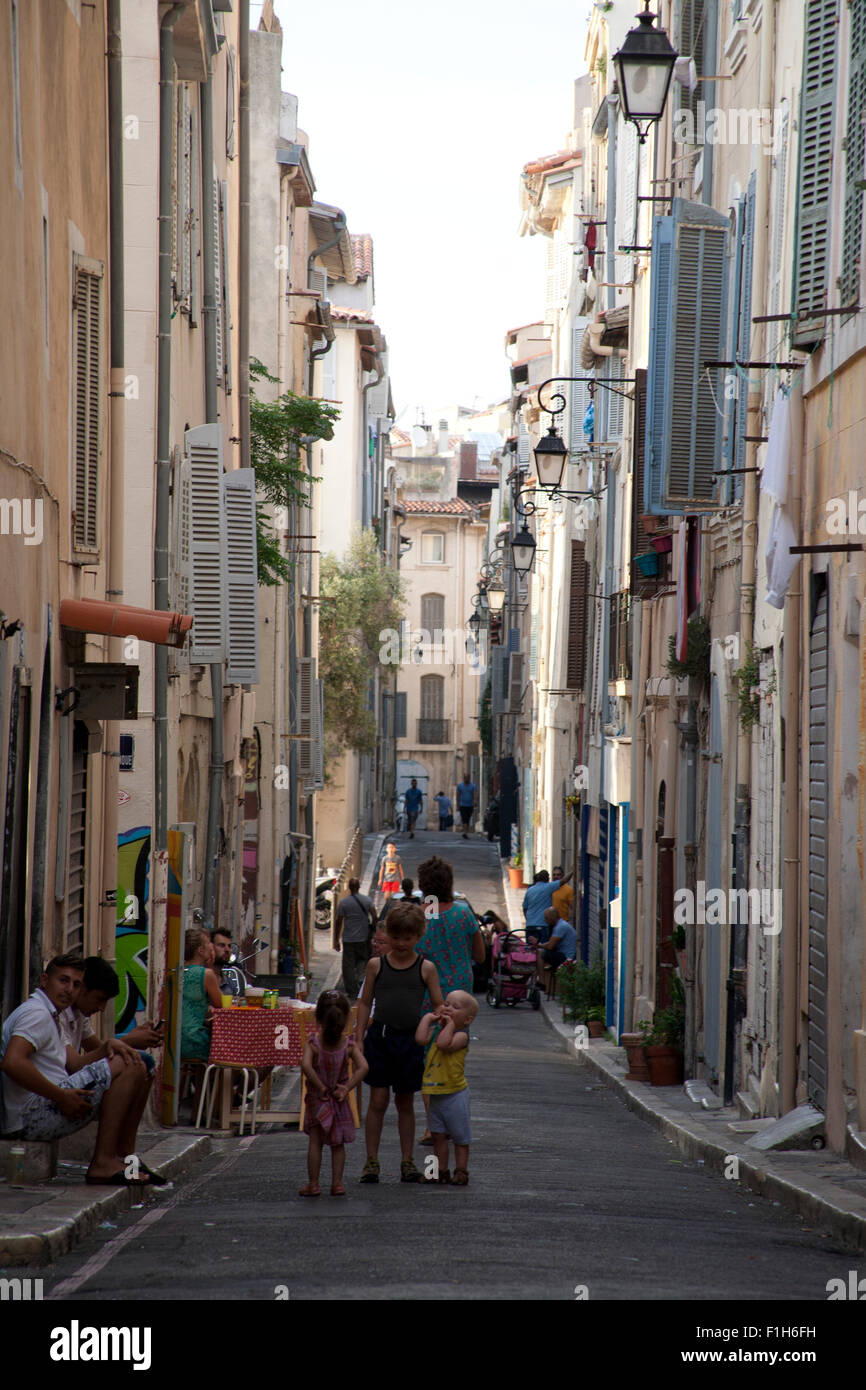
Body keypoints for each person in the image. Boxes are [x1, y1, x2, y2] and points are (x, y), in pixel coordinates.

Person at [0, 954, 163, 1186]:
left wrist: (120, 1044)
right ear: (45, 980)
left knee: (135, 1063)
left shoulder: (51, 1012)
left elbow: (98, 1055)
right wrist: (60, 1096)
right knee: (131, 1063)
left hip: (45, 1105)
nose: (69, 990)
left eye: (75, 984)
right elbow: (12, 1062)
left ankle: (124, 1157)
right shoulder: (36, 1013)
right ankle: (104, 1162)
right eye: (63, 981)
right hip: (33, 1114)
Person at [355, 903, 443, 1184]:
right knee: (377, 1101)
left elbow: (439, 1007)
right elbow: (365, 1002)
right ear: (388, 935)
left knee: (405, 1101)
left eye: (408, 938)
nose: (402, 943)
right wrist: (358, 1038)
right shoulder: (376, 966)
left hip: (409, 1042)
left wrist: (431, 1026)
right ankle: (371, 1161)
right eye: (396, 937)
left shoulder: (426, 968)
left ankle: (407, 1161)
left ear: (418, 936)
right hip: (380, 1038)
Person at [415, 855, 485, 1144]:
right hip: (460, 1000)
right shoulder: (464, 913)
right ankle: (452, 1123)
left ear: (423, 885)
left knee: (430, 1059)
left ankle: (433, 1126)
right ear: (449, 884)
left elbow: (417, 950)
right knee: (453, 1057)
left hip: (429, 995)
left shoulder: (424, 915)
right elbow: (480, 955)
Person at [299, 990, 368, 1197]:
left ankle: (313, 1184)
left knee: (315, 1141)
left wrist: (319, 1086)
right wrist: (346, 1088)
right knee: (337, 1143)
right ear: (346, 1019)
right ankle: (337, 1183)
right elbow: (363, 1067)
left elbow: (305, 1065)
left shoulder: (314, 1044)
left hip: (317, 1099)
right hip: (339, 1099)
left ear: (318, 1017)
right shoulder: (348, 1045)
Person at [60, 956, 164, 1078]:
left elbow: (98, 1049)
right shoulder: (58, 1014)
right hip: (59, 1087)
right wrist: (128, 1041)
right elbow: (76, 1065)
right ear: (83, 988)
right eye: (100, 999)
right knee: (132, 1065)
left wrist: (131, 1038)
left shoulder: (80, 1014)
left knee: (142, 1061)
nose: (102, 1008)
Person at [416, 990, 478, 1185]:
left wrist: (449, 1025)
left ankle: (461, 1171)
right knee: (437, 1136)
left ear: (467, 1020)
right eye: (446, 1004)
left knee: (460, 1135)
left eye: (455, 1007)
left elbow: (444, 1045)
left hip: (455, 1094)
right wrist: (427, 1020)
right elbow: (420, 1039)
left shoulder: (462, 1036)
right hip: (435, 1093)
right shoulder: (439, 1030)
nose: (448, 1008)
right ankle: (438, 1170)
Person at [181, 926, 224, 1062]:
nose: (210, 946)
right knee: (226, 1049)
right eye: (207, 944)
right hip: (194, 1039)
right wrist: (210, 967)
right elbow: (221, 1004)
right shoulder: (206, 974)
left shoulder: (177, 971)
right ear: (200, 951)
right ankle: (212, 1083)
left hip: (174, 1039)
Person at [334, 878, 377, 997]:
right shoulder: (367, 900)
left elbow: (339, 921)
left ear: (349, 887)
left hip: (348, 939)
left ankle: (352, 990)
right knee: (362, 960)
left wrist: (336, 939)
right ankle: (360, 980)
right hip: (363, 938)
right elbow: (374, 916)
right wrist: (373, 931)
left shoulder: (344, 902)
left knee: (348, 965)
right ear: (359, 887)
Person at [523, 868, 573, 943]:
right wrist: (573, 870)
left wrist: (529, 919)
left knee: (530, 949)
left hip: (530, 925)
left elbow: (524, 908)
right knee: (542, 949)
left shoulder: (529, 890)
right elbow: (564, 880)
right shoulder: (548, 887)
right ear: (547, 879)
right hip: (542, 925)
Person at [536, 906, 578, 973]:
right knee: (544, 952)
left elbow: (550, 946)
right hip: (564, 954)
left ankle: (541, 978)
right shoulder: (560, 925)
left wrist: (538, 945)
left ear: (552, 918)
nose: (545, 921)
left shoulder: (560, 927)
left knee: (540, 952)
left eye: (546, 918)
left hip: (567, 957)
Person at [455, 773, 477, 839]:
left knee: (468, 819)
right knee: (464, 818)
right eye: (465, 777)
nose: (466, 779)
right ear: (463, 778)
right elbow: (458, 795)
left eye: (467, 777)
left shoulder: (473, 786)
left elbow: (475, 794)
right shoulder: (460, 786)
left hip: (470, 805)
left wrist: (475, 801)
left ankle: (466, 832)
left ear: (469, 778)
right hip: (462, 805)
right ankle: (465, 832)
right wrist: (457, 805)